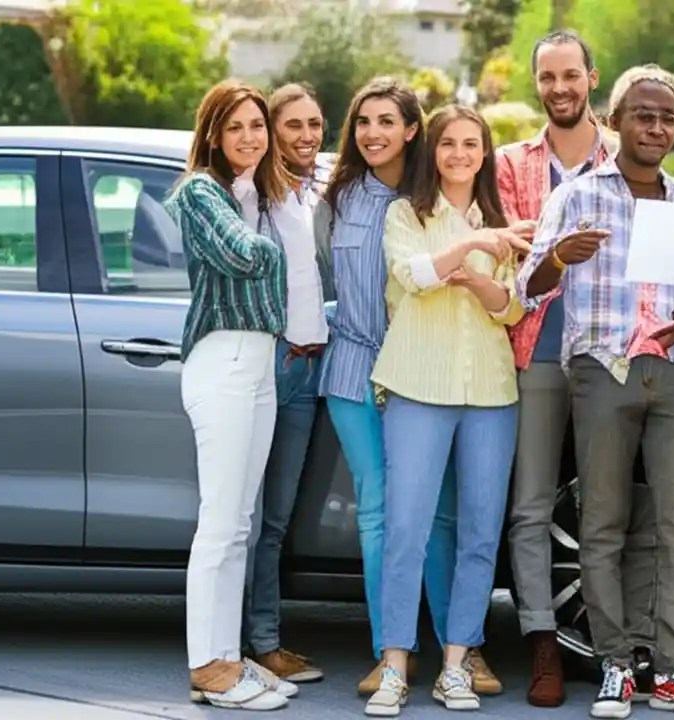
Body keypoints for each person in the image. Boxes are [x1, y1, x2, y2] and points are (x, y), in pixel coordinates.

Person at [517, 64, 674, 720]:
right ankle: (614, 664)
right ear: (616, 119)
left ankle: (669, 668)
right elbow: (530, 286)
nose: (655, 125)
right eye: (643, 113)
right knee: (602, 520)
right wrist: (559, 258)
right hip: (603, 370)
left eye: (666, 116)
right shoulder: (578, 197)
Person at [495, 29, 655, 709]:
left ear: (592, 78)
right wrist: (555, 243)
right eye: (547, 78)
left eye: (570, 75)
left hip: (610, 354)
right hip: (534, 351)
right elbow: (517, 250)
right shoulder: (509, 164)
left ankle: (628, 643)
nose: (559, 88)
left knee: (610, 500)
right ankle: (541, 641)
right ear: (538, 85)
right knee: (530, 504)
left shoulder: (629, 161)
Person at [315, 78, 487, 697]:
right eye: (363, 122)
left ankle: (458, 652)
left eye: (386, 121)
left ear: (413, 130)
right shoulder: (336, 198)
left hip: (426, 372)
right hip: (356, 370)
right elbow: (323, 280)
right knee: (382, 513)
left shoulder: (431, 198)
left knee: (439, 514)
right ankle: (391, 654)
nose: (372, 134)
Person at [363, 104, 527, 717]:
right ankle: (396, 665)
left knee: (481, 533)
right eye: (448, 143)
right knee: (406, 528)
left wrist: (489, 286)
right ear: (432, 150)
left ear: (485, 154)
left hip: (489, 392)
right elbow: (416, 275)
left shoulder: (502, 223)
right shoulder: (405, 214)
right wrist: (472, 247)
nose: (460, 153)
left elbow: (511, 309)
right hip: (416, 387)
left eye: (472, 144)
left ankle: (457, 663)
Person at [166, 78, 294, 711]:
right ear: (213, 134)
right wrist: (271, 245)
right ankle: (206, 667)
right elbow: (245, 258)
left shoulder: (249, 193)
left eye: (258, 126)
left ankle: (226, 656)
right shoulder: (199, 193)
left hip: (260, 360)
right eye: (237, 126)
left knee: (241, 524)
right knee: (218, 525)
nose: (251, 137)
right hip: (223, 359)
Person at [242, 82, 332, 686]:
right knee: (247, 516)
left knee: (276, 518)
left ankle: (262, 640)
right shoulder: (252, 195)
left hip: (309, 368)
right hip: (269, 362)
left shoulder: (318, 187)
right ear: (271, 130)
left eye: (315, 124)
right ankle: (246, 643)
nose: (306, 136)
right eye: (293, 125)